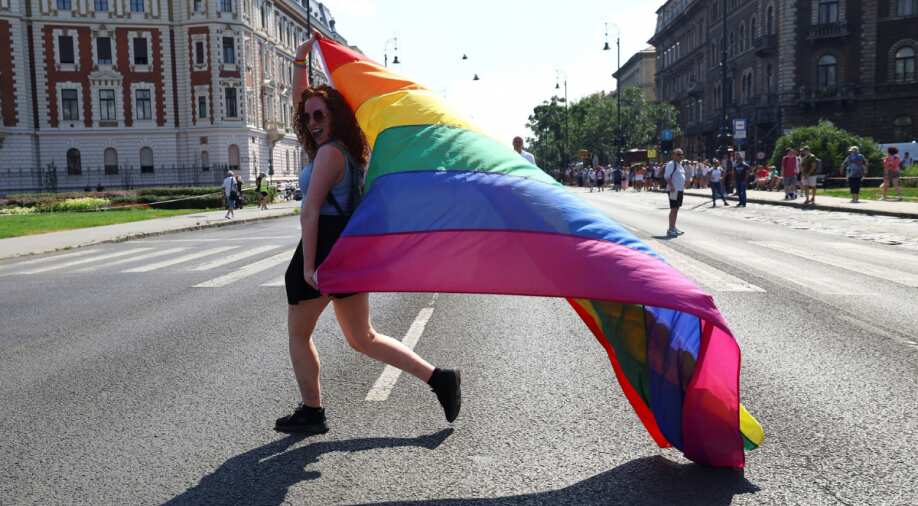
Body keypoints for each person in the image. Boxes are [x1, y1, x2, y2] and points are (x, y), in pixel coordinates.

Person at [275, 55, 460, 434]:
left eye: (319, 116)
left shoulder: (327, 155)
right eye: (308, 117)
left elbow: (310, 213)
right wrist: (298, 65)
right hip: (347, 248)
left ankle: (313, 411)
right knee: (363, 337)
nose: (312, 123)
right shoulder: (349, 152)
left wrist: (310, 267)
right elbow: (303, 104)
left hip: (323, 247)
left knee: (299, 334)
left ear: (336, 117)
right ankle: (439, 379)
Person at [664, 148, 686, 237]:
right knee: (673, 209)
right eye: (678, 154)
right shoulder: (671, 164)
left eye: (681, 154)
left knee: (676, 209)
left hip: (680, 190)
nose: (680, 156)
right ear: (673, 155)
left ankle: (673, 227)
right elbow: (667, 176)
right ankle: (670, 229)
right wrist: (672, 186)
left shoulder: (680, 165)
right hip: (673, 190)